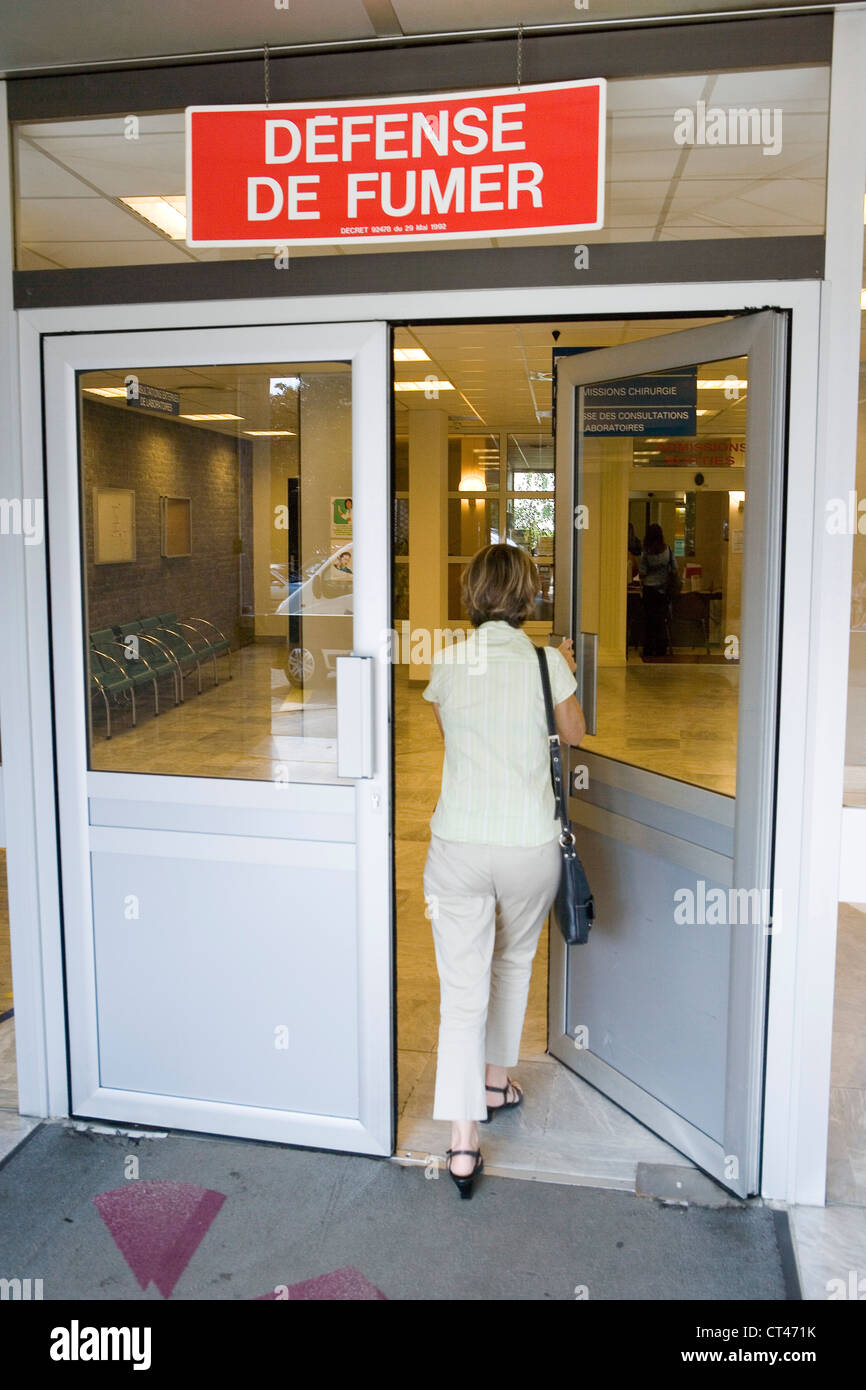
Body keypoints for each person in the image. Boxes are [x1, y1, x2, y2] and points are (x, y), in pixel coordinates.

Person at [422, 543, 586, 1198]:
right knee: (514, 962)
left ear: (473, 594)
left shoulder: (446, 664)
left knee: (462, 992)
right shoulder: (548, 664)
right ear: (528, 595)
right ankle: (495, 1080)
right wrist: (568, 668)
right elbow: (572, 734)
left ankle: (463, 1144)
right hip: (528, 846)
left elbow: (456, 739)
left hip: (458, 844)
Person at [639, 522, 676, 659]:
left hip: (649, 590)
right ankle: (661, 649)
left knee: (649, 621)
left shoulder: (646, 553)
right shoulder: (668, 550)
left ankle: (649, 649)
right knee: (661, 620)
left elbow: (642, 572)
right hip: (663, 590)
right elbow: (675, 569)